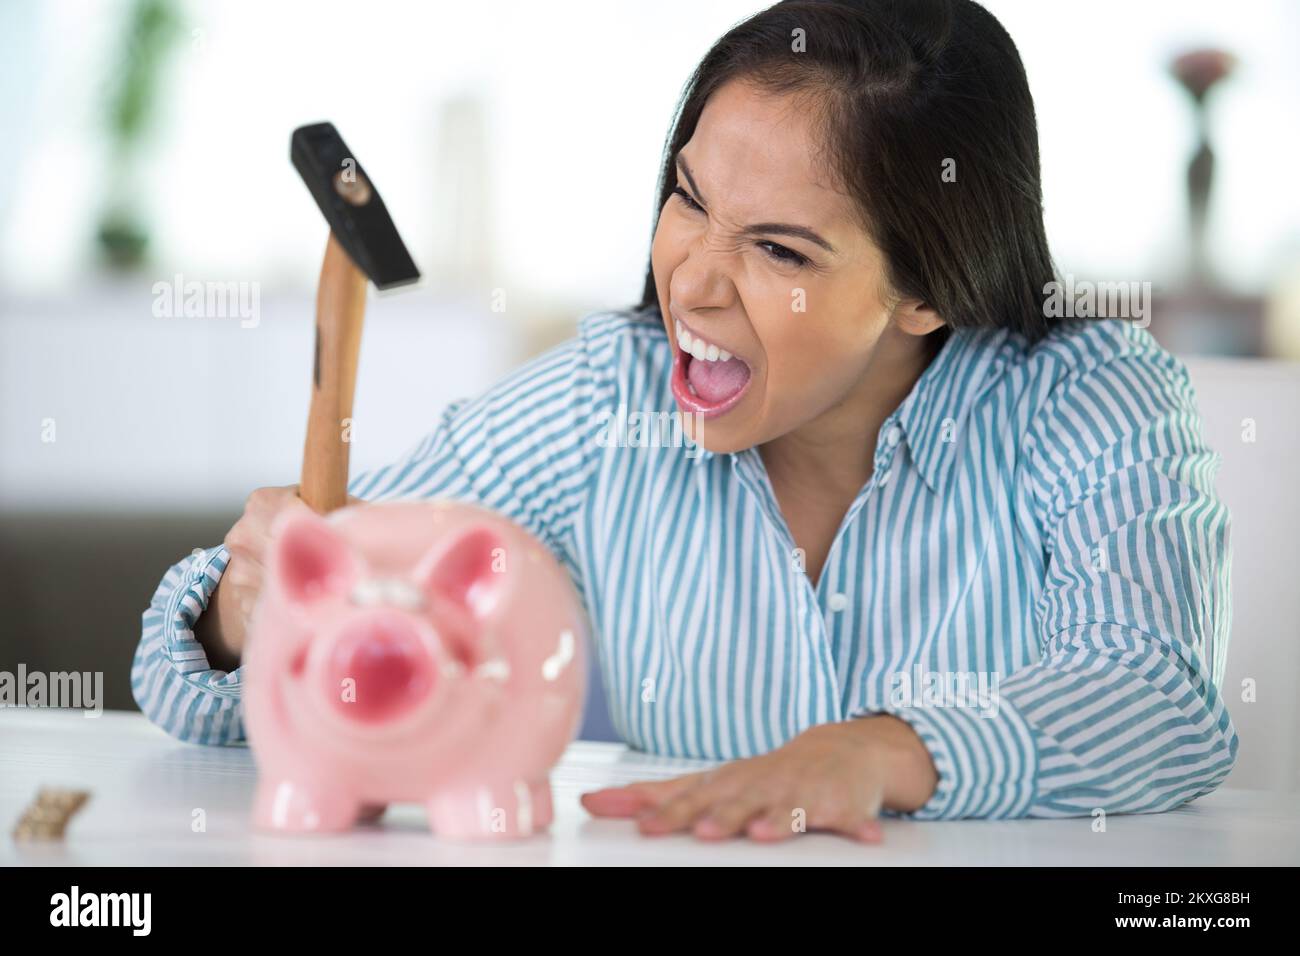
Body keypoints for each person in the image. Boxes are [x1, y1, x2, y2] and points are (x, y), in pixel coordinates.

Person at [133, 0, 1237, 843]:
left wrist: (879, 751)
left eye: (778, 249)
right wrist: (248, 614)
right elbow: (258, 689)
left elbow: (1159, 696)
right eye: (690, 199)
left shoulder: (1091, 399)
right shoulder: (595, 403)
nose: (692, 283)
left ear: (928, 287)